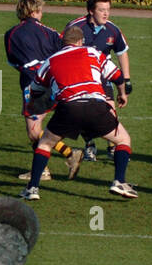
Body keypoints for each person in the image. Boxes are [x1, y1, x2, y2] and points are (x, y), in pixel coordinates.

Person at [21, 25, 136, 200]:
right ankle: (119, 181)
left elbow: (36, 89)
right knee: (123, 139)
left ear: (63, 42)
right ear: (81, 41)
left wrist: (36, 106)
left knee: (45, 144)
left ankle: (33, 189)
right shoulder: (94, 53)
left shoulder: (50, 60)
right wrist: (121, 94)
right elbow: (117, 76)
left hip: (68, 108)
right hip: (96, 106)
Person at [4, 0, 77, 182]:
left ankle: (69, 154)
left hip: (33, 86)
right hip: (53, 83)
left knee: (34, 131)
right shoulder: (50, 32)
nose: (42, 14)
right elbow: (65, 51)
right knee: (36, 130)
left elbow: (13, 61)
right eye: (40, 10)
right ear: (34, 11)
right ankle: (45, 167)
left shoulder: (12, 34)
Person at [64, 0, 131, 163]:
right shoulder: (75, 28)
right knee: (83, 113)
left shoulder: (112, 30)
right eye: (102, 10)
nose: (106, 14)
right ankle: (89, 145)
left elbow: (122, 53)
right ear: (91, 11)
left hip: (102, 78)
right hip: (79, 79)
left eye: (108, 10)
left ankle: (113, 146)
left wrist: (127, 79)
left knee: (109, 110)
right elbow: (63, 53)